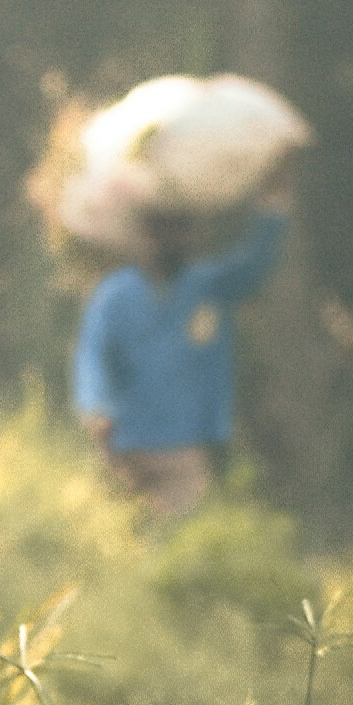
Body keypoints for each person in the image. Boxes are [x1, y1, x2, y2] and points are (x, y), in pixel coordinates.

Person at [71, 198, 290, 523]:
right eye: (162, 230)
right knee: (124, 540)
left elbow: (253, 266)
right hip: (126, 449)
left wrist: (273, 205)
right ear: (145, 234)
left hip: (185, 447)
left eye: (181, 230)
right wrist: (96, 408)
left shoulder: (207, 288)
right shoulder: (115, 295)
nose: (172, 240)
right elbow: (92, 357)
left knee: (181, 538)